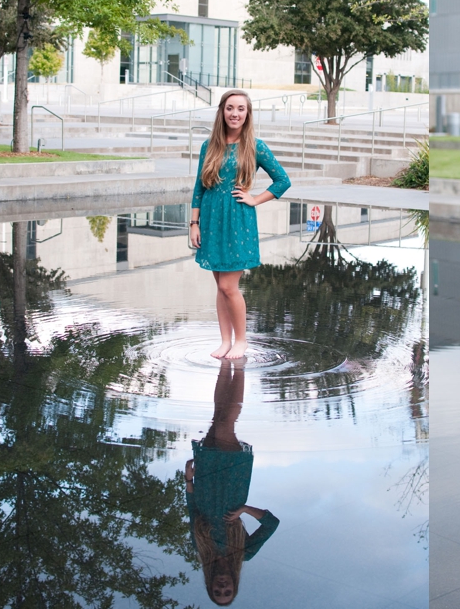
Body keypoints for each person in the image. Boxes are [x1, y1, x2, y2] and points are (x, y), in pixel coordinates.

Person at [190, 89, 291, 359]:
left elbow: (283, 180)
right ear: (222, 111)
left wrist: (255, 199)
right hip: (211, 221)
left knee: (228, 286)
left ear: (247, 114)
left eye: (241, 109)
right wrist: (194, 222)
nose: (235, 113)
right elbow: (199, 187)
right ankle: (225, 341)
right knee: (220, 286)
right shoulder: (209, 145)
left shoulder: (255, 146)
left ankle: (242, 341)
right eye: (230, 108)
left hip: (238, 221)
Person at [185, 359, 279, 605]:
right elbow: (271, 524)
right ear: (234, 585)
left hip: (205, 480)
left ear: (210, 585)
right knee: (226, 425)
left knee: (217, 417)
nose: (222, 588)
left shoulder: (202, 548)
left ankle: (226, 365)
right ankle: (240, 366)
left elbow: (192, 511)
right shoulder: (243, 554)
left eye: (218, 592)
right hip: (231, 482)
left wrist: (188, 480)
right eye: (228, 592)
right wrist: (245, 510)